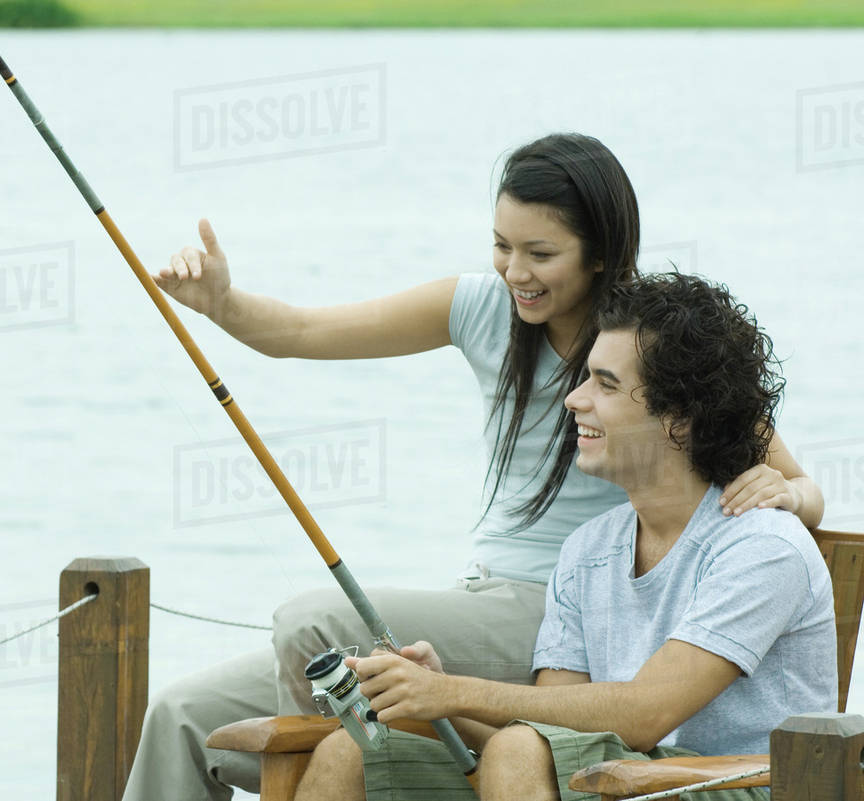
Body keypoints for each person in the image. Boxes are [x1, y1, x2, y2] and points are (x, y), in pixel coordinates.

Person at [121, 134, 826, 801]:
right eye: (501, 245)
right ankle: (336, 738)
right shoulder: (590, 540)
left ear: (599, 255)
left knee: (320, 628)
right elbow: (302, 330)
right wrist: (221, 304)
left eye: (540, 252)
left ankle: (312, 739)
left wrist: (791, 493)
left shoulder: (663, 353)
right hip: (506, 611)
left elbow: (764, 462)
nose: (516, 270)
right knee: (185, 712)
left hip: (547, 630)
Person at [294, 272, 838, 801]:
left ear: (678, 418)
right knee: (353, 755)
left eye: (604, 384)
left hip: (742, 784)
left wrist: (453, 692)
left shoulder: (763, 546)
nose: (573, 400)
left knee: (520, 752)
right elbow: (545, 728)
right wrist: (436, 696)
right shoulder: (588, 551)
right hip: (618, 778)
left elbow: (646, 715)